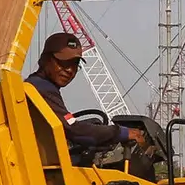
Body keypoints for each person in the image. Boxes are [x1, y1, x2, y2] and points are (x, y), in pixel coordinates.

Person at [27, 33, 147, 161]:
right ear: (45, 60)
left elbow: (70, 127)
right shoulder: (41, 89)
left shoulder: (38, 86)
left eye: (74, 64)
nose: (69, 70)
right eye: (63, 63)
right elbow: (74, 130)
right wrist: (121, 133)